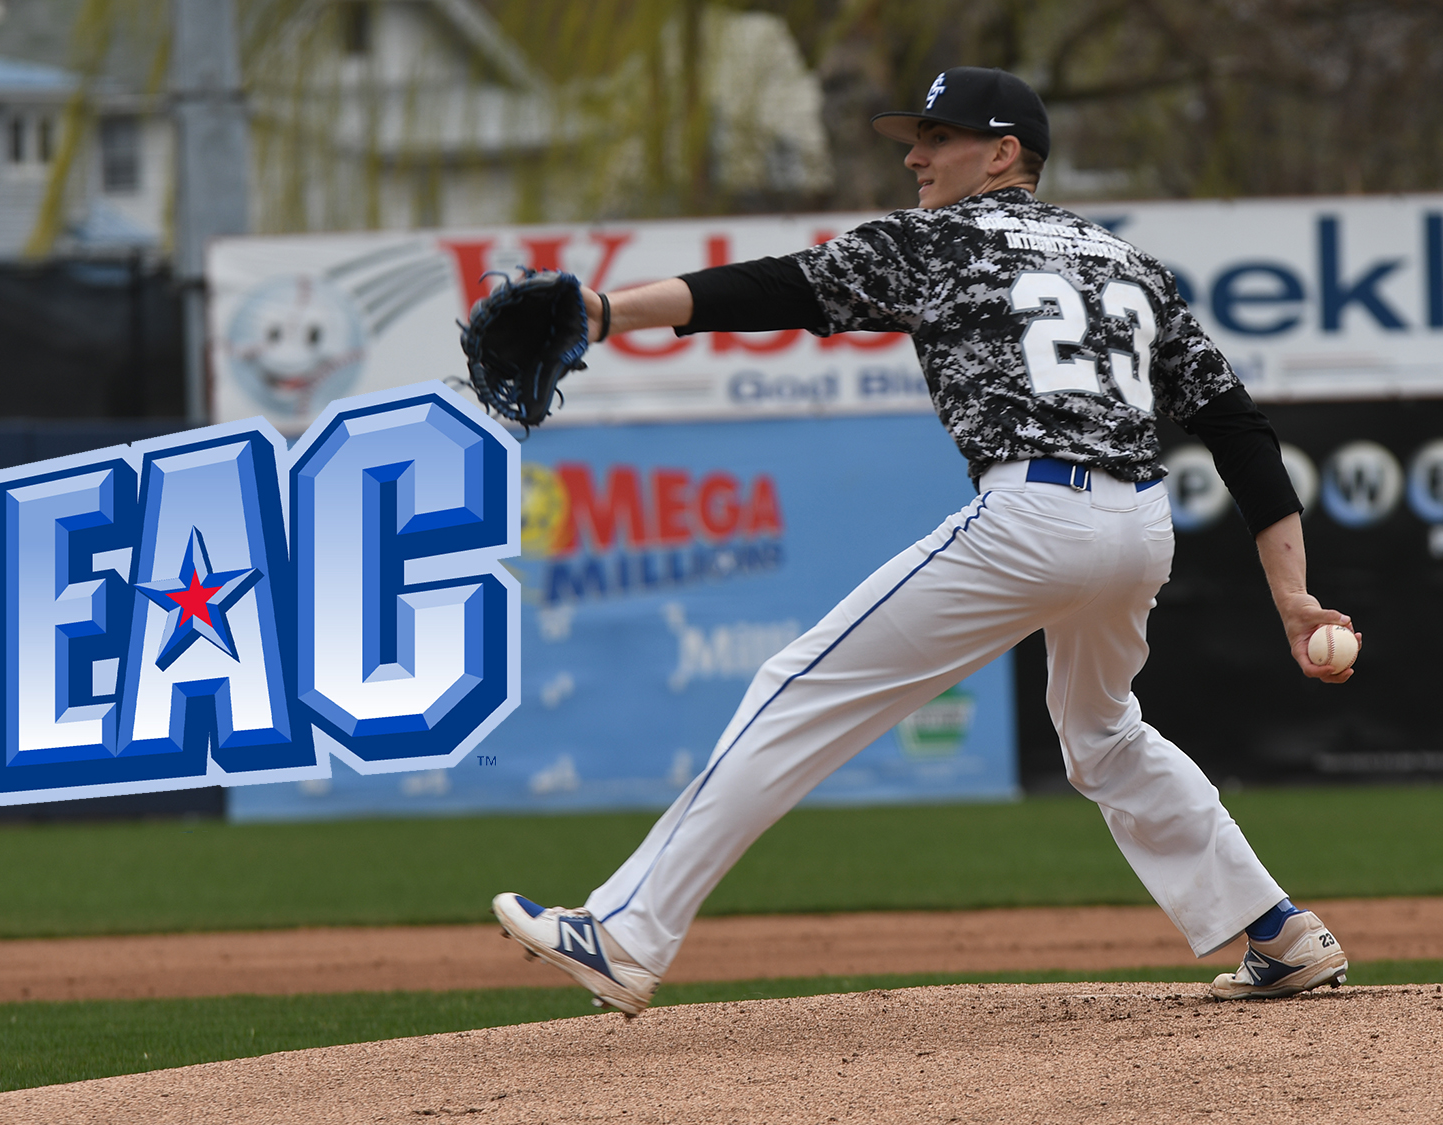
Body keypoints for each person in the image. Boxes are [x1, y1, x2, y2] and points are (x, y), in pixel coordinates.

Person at [492, 67, 1356, 1015]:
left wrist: (606, 312)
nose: (914, 154)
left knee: (797, 685)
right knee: (1104, 733)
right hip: (1140, 529)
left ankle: (623, 930)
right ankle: (1279, 932)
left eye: (938, 137)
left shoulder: (939, 240)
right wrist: (1292, 596)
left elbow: (775, 288)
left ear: (1003, 153)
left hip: (1035, 515)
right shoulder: (1125, 261)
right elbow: (1238, 427)